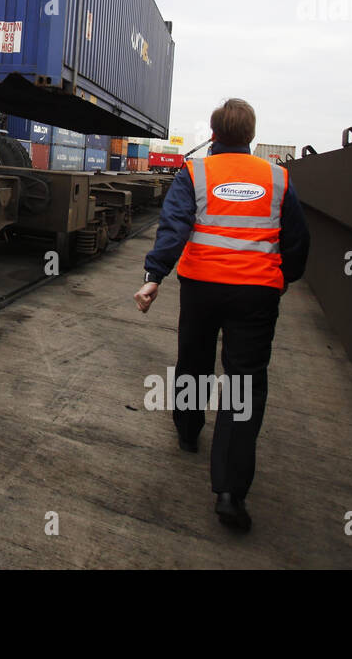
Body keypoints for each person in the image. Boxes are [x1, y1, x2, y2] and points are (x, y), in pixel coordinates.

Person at [132, 99, 310, 532]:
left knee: (194, 357)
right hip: (256, 295)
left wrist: (154, 276)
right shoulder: (278, 178)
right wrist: (280, 279)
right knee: (244, 382)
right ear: (250, 136)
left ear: (213, 135)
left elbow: (173, 227)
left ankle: (189, 432)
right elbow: (299, 243)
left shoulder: (194, 174)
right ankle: (230, 492)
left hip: (201, 289)